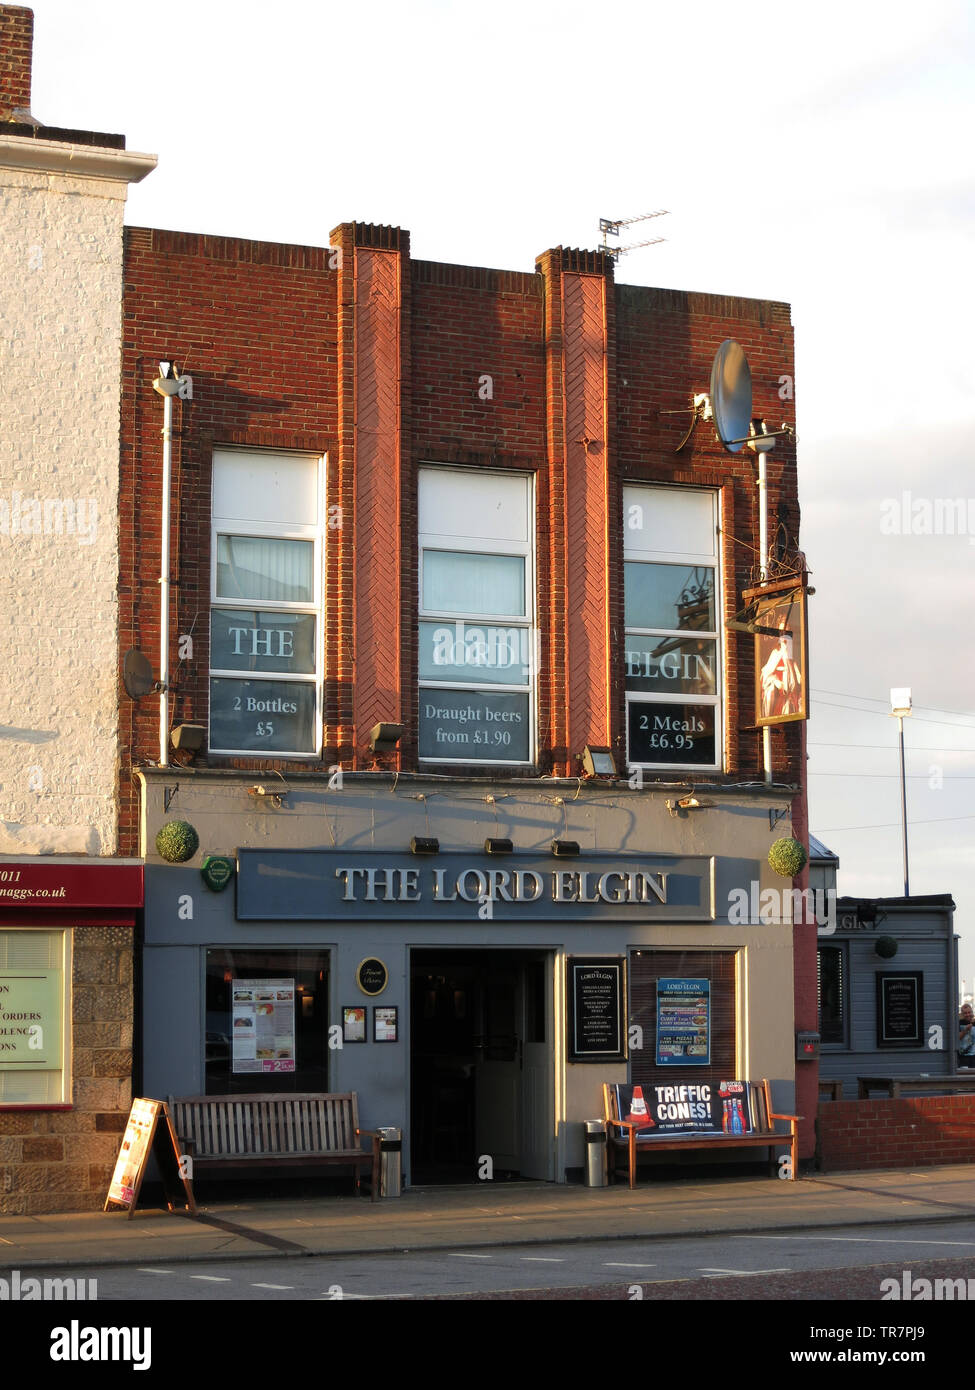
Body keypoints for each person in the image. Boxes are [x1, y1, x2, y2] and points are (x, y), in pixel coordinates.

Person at [958, 1003, 975, 1068]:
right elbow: (957, 1038)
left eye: (969, 1012)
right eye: (965, 1013)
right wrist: (965, 1030)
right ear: (962, 1014)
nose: (968, 1014)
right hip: (963, 1057)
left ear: (972, 1012)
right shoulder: (958, 1023)